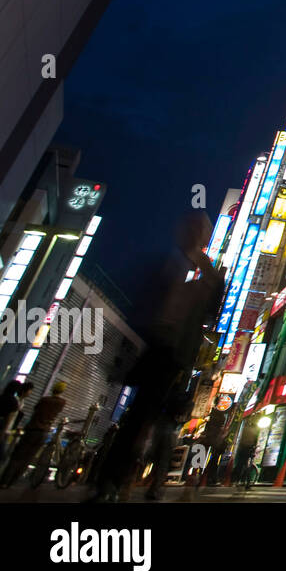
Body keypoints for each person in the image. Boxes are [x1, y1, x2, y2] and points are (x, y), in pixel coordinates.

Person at [92, 212, 225, 502]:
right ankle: (112, 482)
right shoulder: (166, 265)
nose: (192, 231)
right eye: (189, 226)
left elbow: (215, 297)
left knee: (143, 420)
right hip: (152, 347)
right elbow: (139, 303)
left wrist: (200, 254)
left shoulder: (201, 279)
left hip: (172, 358)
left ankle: (116, 482)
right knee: (137, 419)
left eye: (199, 229)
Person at [2, 380, 68, 485]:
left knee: (17, 456)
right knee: (28, 458)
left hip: (32, 430)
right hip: (44, 432)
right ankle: (12, 482)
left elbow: (36, 409)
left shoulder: (44, 400)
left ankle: (4, 481)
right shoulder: (62, 402)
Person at [0, 380, 32, 464]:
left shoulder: (3, 397)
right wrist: (5, 430)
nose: (30, 393)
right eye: (30, 390)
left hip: (6, 427)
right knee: (2, 455)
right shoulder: (14, 401)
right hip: (4, 428)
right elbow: (9, 417)